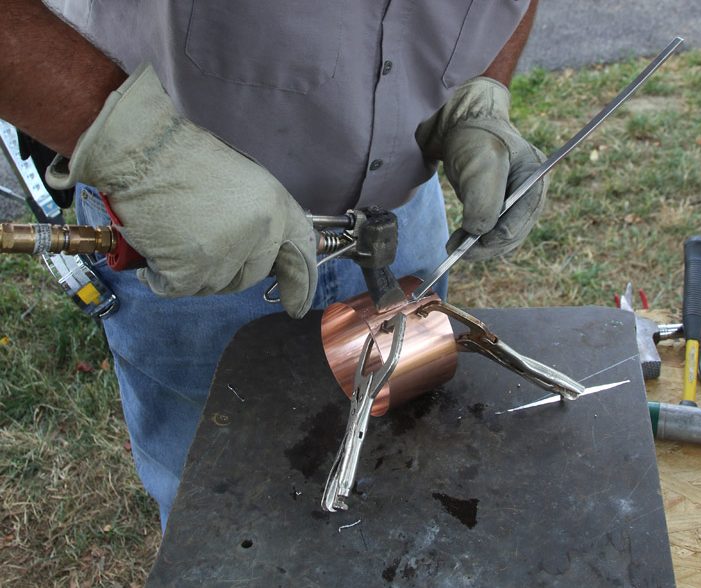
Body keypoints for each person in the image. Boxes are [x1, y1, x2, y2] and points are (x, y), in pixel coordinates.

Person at [1, 1, 549, 530]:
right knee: (219, 511)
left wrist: (483, 94)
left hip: (401, 213)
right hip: (190, 226)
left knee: (402, 480)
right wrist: (137, 150)